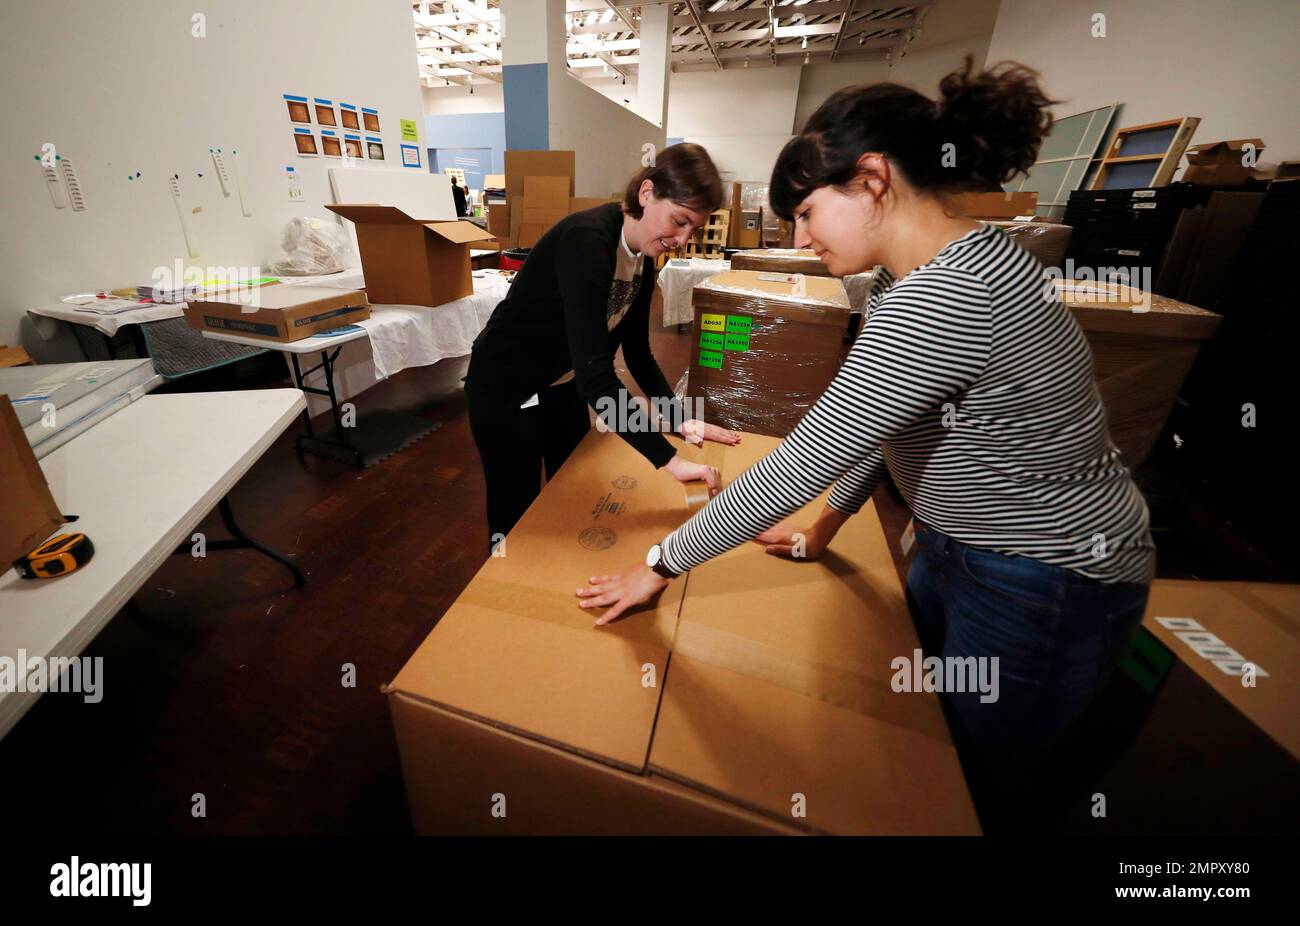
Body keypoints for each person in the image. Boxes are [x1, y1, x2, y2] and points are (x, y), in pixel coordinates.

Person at [574, 58, 1156, 831]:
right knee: (914, 736)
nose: (801, 236)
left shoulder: (945, 294)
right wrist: (825, 527)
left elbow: (806, 460)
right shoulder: (929, 273)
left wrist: (658, 565)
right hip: (960, 547)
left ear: (874, 180)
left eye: (809, 212)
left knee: (968, 787)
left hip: (1046, 575)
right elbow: (888, 429)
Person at [465, 143, 739, 551]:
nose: (682, 239)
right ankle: (501, 592)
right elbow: (597, 379)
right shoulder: (587, 242)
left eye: (693, 229)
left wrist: (681, 421)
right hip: (507, 388)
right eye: (679, 221)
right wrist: (670, 460)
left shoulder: (643, 257)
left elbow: (638, 353)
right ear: (646, 194)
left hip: (561, 385)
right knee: (516, 511)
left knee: (569, 494)